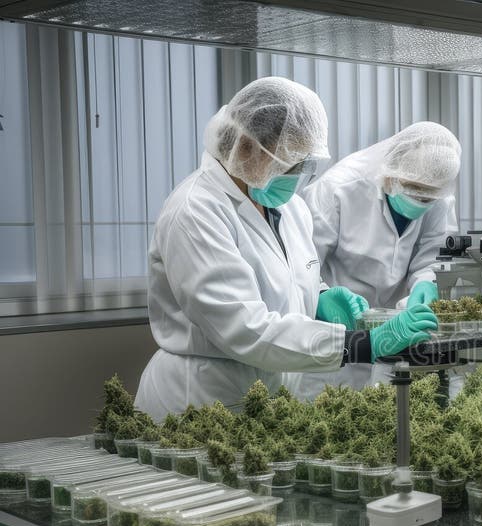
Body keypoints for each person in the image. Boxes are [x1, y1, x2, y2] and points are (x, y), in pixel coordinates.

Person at [134, 77, 438, 423]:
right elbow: (244, 327)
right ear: (246, 148)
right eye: (290, 163)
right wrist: (360, 344)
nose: (298, 175)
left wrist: (321, 296)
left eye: (303, 164)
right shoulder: (195, 211)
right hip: (201, 400)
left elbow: (292, 275)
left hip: (270, 398)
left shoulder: (289, 207)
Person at [299, 121, 460, 391]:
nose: (421, 201)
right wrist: (321, 294)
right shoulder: (338, 189)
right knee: (331, 416)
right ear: (390, 175)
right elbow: (301, 260)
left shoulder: (438, 193)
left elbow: (434, 252)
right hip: (338, 335)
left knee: (390, 419)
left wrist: (425, 282)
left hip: (396, 336)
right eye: (413, 190)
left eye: (428, 197)